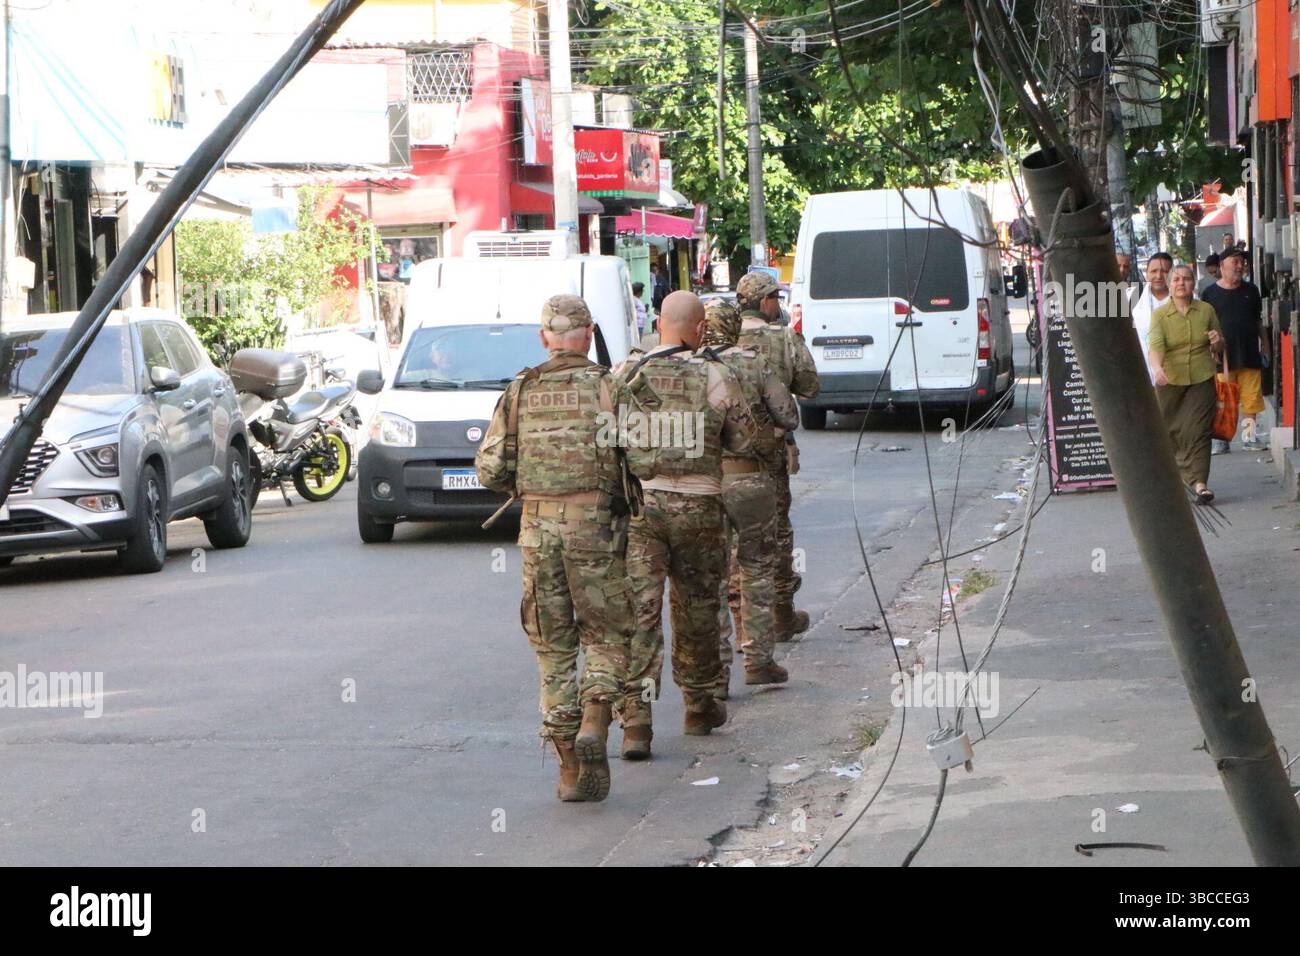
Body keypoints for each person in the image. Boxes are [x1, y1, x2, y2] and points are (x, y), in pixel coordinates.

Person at [474, 294, 633, 802]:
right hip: (597, 529)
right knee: (607, 637)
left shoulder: (519, 391)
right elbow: (644, 457)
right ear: (588, 335)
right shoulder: (609, 387)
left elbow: (490, 470)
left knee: (553, 650)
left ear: (544, 337)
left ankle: (568, 772)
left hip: (538, 533)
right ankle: (595, 718)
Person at [613, 291, 756, 759]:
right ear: (699, 330)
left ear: (659, 324)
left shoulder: (625, 374)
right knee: (696, 607)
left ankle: (636, 722)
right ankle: (698, 706)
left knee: (641, 613)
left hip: (641, 507)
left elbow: (603, 438)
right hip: (699, 506)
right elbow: (743, 438)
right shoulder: (716, 374)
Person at [701, 298, 800, 698]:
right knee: (757, 567)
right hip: (750, 478)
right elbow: (788, 415)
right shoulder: (753, 362)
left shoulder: (686, 368)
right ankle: (758, 660)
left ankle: (717, 675)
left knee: (711, 578)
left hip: (701, 485)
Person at [735, 271, 820, 641]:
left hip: (723, 454)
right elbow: (810, 385)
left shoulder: (719, 339)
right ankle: (781, 615)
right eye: (776, 298)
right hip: (771, 451)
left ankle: (743, 626)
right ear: (766, 301)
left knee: (734, 539)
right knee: (777, 533)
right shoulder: (783, 338)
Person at [1148, 265, 1226, 503]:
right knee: (1171, 430)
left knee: (1198, 431)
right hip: (1170, 379)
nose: (1181, 283)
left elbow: (1220, 345)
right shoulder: (1160, 315)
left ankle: (1200, 483)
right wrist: (1158, 368)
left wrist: (1216, 341)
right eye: (1177, 280)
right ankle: (1178, 479)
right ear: (1170, 286)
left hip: (1201, 378)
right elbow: (1156, 345)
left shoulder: (1206, 310)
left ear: (1194, 284)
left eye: (1187, 279)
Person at [1199, 247, 1266, 451]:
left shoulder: (1251, 290)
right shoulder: (1209, 293)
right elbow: (1205, 326)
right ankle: (1221, 439)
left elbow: (1258, 321)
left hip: (1249, 354)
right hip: (1222, 357)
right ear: (1222, 265)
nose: (1240, 266)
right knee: (1222, 399)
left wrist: (1266, 346)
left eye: (1241, 262)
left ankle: (1249, 436)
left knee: (1251, 398)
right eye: (1234, 262)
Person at [1130, 253, 1171, 383]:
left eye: (1164, 271)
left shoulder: (1186, 297)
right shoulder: (1132, 297)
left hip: (1177, 375)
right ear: (1147, 273)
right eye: (1154, 271)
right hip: (1141, 376)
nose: (1158, 276)